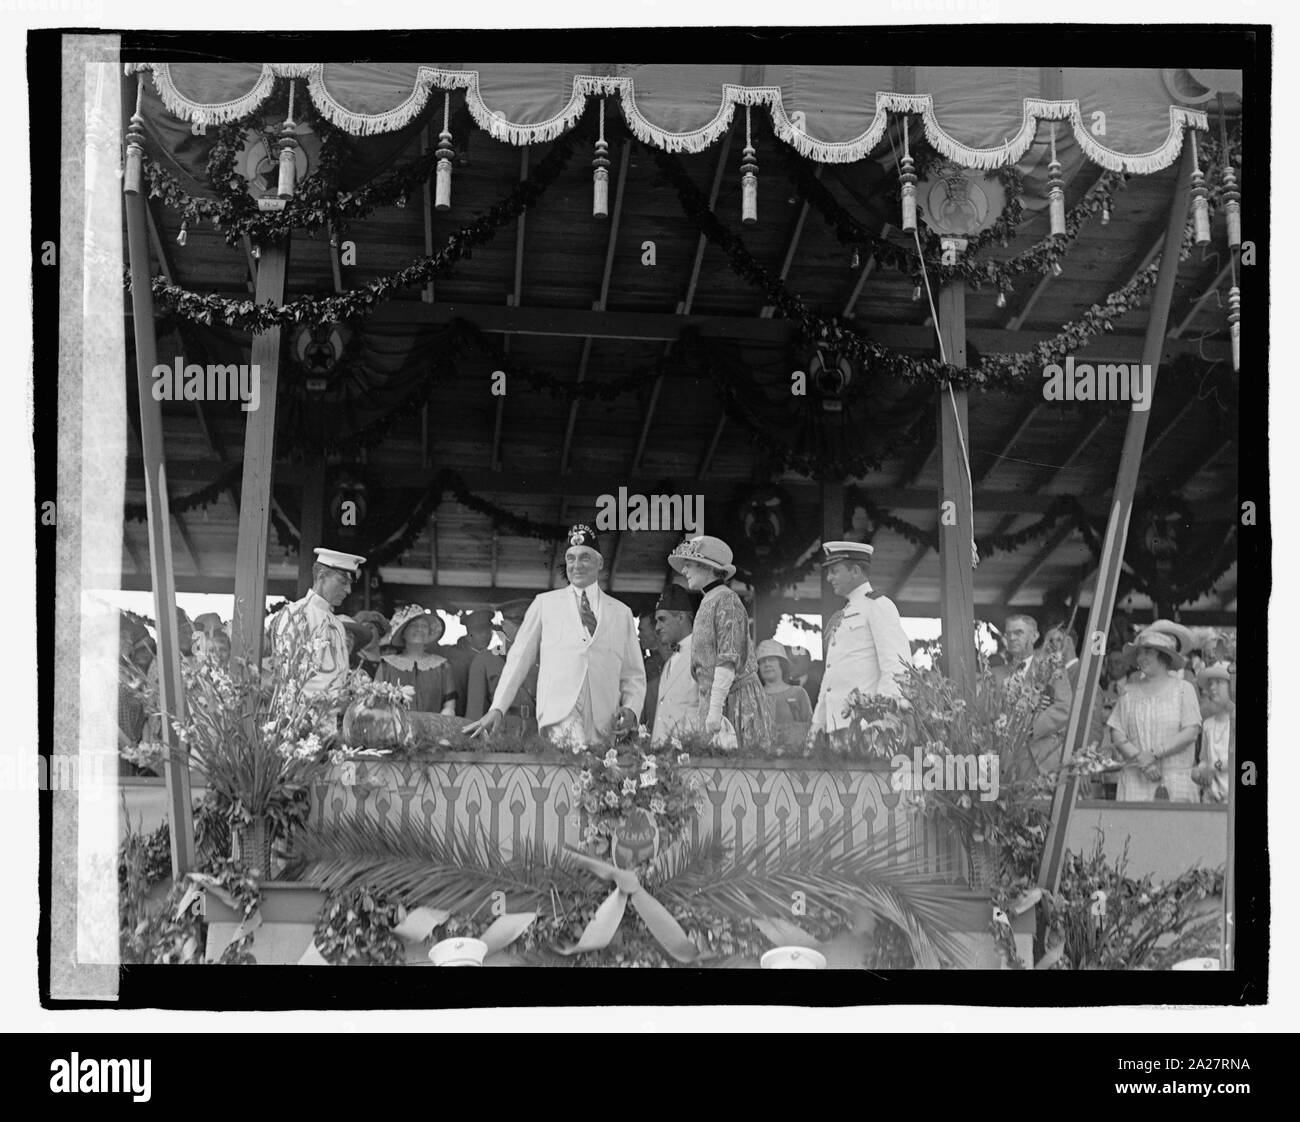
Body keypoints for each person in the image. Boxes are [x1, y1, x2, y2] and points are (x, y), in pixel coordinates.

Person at [464, 524, 645, 746]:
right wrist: (498, 708)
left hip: (604, 718)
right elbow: (518, 659)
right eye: (571, 558)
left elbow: (634, 675)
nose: (576, 565)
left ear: (600, 563)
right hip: (559, 713)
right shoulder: (545, 604)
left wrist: (632, 709)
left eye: (585, 558)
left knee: (596, 776)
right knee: (567, 771)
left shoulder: (621, 613)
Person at [667, 534, 773, 750]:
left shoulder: (727, 600)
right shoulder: (709, 600)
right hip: (716, 702)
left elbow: (728, 659)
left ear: (707, 567)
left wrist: (715, 708)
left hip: (736, 702)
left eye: (688, 565)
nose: (684, 571)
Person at [808, 541, 912, 748]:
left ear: (855, 571)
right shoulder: (845, 612)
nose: (829, 578)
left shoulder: (878, 606)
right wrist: (817, 724)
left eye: (835, 571)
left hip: (868, 727)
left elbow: (896, 667)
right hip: (837, 727)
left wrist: (883, 720)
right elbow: (831, 674)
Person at [1106, 621, 1202, 802]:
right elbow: (1116, 732)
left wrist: (1154, 754)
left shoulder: (1183, 689)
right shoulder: (1129, 691)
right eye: (1140, 652)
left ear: (1164, 657)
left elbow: (1191, 732)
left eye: (1148, 652)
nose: (1141, 657)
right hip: (1135, 783)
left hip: (1176, 784)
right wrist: (1141, 760)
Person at [268, 547, 366, 698]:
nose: (348, 590)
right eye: (342, 582)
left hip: (330, 716)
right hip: (300, 715)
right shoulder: (295, 614)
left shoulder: (338, 624)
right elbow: (289, 672)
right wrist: (334, 698)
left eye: (349, 583)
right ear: (321, 576)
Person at [992, 612, 1073, 779]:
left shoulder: (1051, 667)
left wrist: (1029, 728)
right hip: (1005, 763)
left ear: (1035, 636)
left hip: (1041, 760)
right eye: (1008, 634)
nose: (1012, 638)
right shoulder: (995, 676)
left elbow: (1065, 707)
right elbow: (985, 715)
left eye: (1018, 633)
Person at [465, 598, 539, 735]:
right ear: (504, 626)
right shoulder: (485, 660)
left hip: (539, 734)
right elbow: (475, 713)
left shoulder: (546, 658)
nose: (525, 629)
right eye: (518, 624)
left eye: (528, 623)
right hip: (501, 734)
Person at [374, 605, 458, 715]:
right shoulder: (387, 665)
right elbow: (375, 701)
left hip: (432, 729)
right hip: (395, 729)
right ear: (403, 632)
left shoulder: (442, 665)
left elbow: (449, 705)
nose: (419, 629)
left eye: (424, 626)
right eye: (413, 625)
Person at [649, 583, 698, 745]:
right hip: (664, 759)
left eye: (662, 620)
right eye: (656, 621)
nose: (657, 627)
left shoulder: (702, 654)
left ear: (681, 617)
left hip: (691, 756)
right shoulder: (670, 661)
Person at [1193, 663, 1235, 803]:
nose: (1212, 688)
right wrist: (1197, 772)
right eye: (1210, 684)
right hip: (1211, 801)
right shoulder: (1208, 724)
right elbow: (1204, 760)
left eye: (1219, 683)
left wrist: (1213, 767)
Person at [756, 639, 813, 738]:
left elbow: (810, 729)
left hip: (794, 752)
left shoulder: (798, 693)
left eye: (772, 659)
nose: (767, 664)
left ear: (782, 663)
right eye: (762, 661)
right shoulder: (755, 697)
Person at [444, 609, 495, 716]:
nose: (486, 636)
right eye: (480, 632)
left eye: (489, 631)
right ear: (469, 634)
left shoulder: (490, 655)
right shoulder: (458, 659)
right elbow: (459, 696)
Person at [639, 610, 668, 733]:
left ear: (655, 631)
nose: (639, 635)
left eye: (642, 630)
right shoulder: (646, 661)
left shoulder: (667, 661)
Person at [350, 609, 390, 677]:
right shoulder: (351, 660)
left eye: (370, 628)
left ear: (379, 632)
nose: (366, 633)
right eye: (361, 630)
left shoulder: (390, 662)